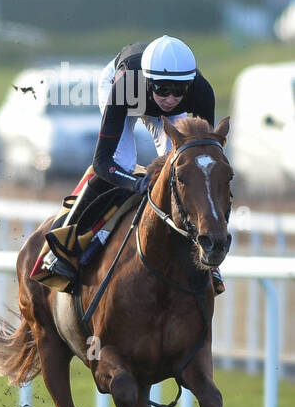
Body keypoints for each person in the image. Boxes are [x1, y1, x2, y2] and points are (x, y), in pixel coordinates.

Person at [35, 34, 222, 293]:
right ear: (148, 81)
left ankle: (205, 252)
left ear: (189, 85)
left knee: (178, 166)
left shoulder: (201, 92)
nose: (169, 99)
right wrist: (134, 182)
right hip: (123, 89)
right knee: (123, 161)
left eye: (178, 91)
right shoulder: (125, 86)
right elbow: (102, 162)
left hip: (147, 94)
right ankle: (64, 246)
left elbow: (205, 160)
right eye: (162, 89)